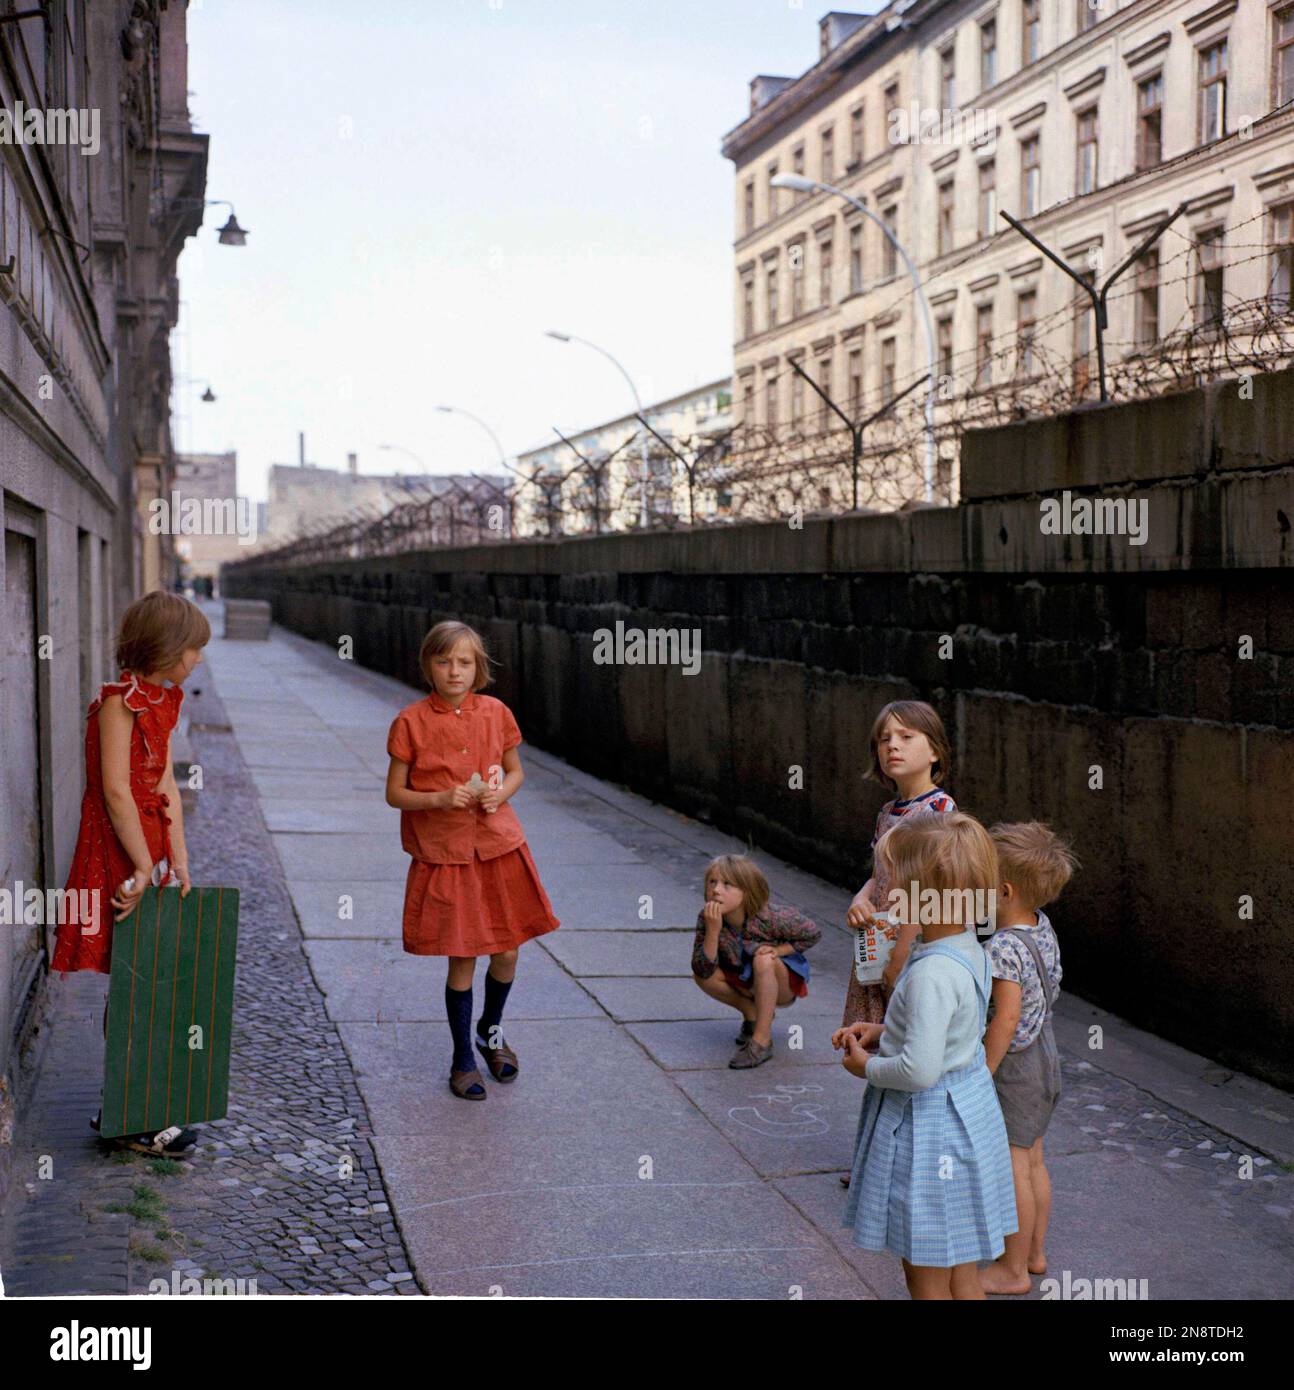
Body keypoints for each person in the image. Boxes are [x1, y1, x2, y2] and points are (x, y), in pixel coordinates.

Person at [52, 589, 210, 1156]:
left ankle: (132, 1107)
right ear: (165, 646)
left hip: (150, 849)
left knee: (150, 980)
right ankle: (128, 1113)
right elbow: (115, 788)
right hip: (121, 849)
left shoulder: (165, 701)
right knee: (134, 981)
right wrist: (142, 864)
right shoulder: (119, 701)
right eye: (192, 649)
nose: (196, 659)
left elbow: (165, 784)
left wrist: (179, 859)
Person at [835, 813, 1016, 1300]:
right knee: (958, 1267)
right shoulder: (966, 948)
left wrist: (865, 1066)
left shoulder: (931, 973)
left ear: (927, 898)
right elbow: (950, 1031)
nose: (887, 895)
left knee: (925, 1275)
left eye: (896, 886)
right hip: (965, 1117)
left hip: (930, 1129)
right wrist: (882, 1029)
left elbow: (918, 1069)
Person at [386, 621, 558, 1101]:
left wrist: (501, 791)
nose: (454, 671)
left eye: (464, 662)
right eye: (443, 662)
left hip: (500, 844)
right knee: (463, 955)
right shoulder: (410, 722)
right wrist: (440, 799)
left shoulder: (497, 713)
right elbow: (394, 793)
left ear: (478, 666)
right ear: (428, 667)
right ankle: (463, 1057)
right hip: (448, 854)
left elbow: (516, 770)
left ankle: (491, 1031)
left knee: (507, 949)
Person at [978, 822, 1078, 1295]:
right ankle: (1035, 1253)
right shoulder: (1040, 925)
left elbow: (1006, 1017)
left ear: (1002, 890)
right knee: (1034, 1160)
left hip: (1015, 1065)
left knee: (1013, 1165)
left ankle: (1011, 1270)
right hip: (1047, 1056)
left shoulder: (1001, 947)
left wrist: (984, 1070)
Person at [841, 700, 956, 1031]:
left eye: (906, 736)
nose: (892, 745)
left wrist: (900, 958)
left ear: (935, 751)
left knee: (906, 1034)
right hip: (879, 937)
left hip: (911, 944)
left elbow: (931, 893)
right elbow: (879, 874)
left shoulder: (938, 812)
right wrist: (861, 899)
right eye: (884, 738)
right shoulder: (888, 811)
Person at [690, 855, 821, 1068]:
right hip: (744, 979)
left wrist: (780, 950)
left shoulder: (772, 916)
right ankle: (751, 1013)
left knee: (763, 959)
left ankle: (762, 1040)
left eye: (727, 884)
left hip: (781, 984)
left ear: (747, 890)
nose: (716, 890)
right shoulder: (708, 917)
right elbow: (703, 969)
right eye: (712, 882)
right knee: (702, 976)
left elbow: (813, 932)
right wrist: (713, 931)